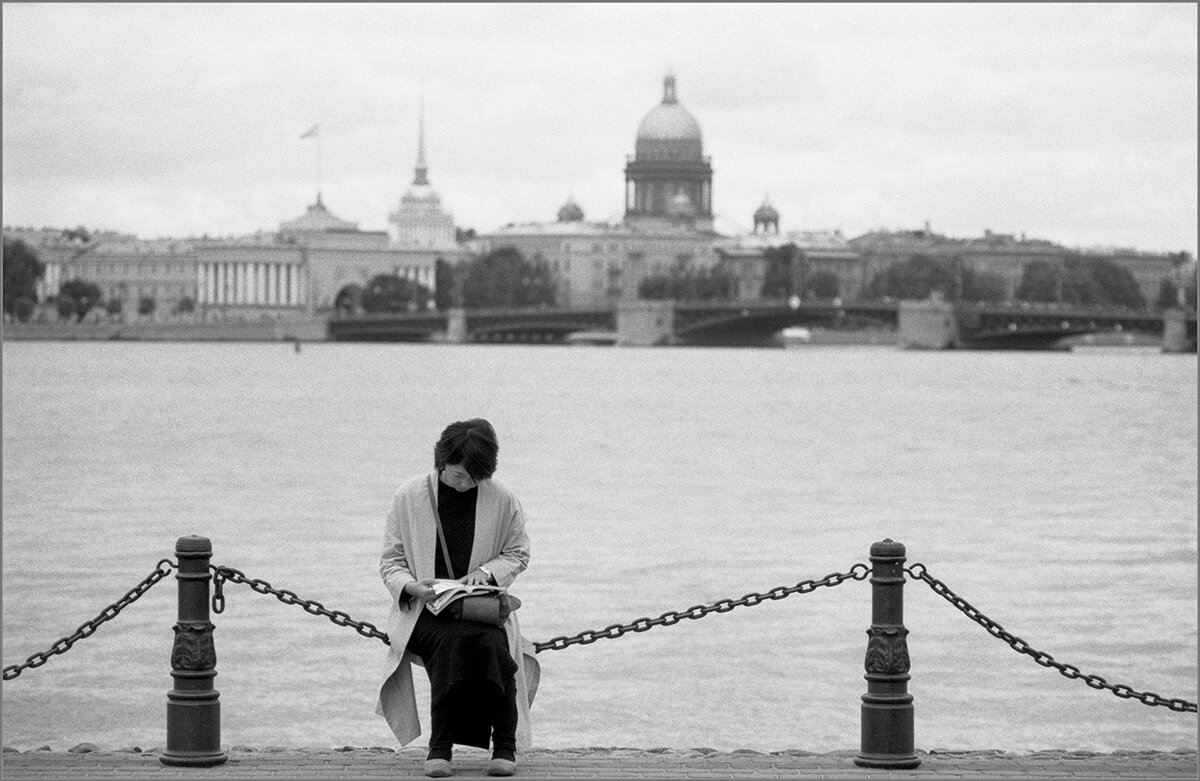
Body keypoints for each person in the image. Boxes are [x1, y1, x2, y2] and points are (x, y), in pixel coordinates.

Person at [376, 418, 539, 778]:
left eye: (475, 478)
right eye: (458, 475)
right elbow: (390, 562)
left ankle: (505, 747)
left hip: (479, 608)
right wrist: (412, 587)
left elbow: (518, 553)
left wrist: (488, 572)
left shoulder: (502, 498)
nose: (465, 484)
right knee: (453, 642)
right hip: (422, 610)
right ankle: (441, 747)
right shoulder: (409, 496)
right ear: (441, 461)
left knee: (494, 643)